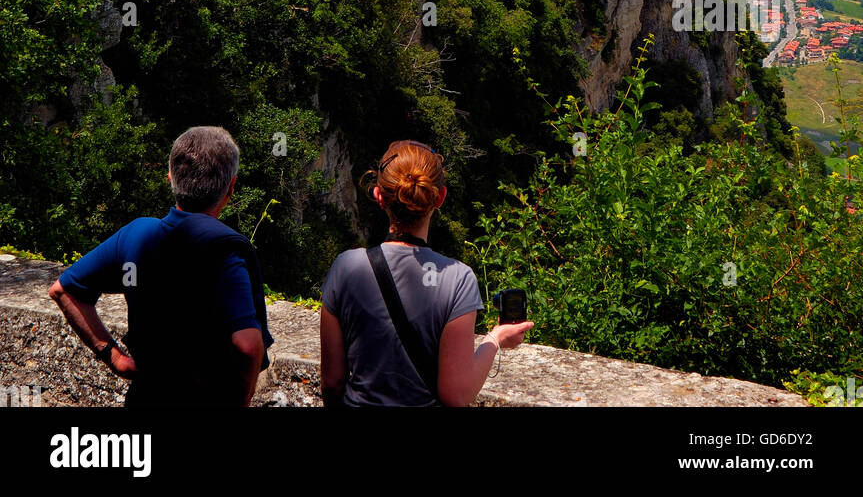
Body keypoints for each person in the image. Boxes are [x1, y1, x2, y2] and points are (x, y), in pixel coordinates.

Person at [48, 125, 273, 407]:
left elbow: (64, 290)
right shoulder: (226, 248)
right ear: (231, 187)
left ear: (170, 179)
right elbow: (249, 346)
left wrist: (115, 358)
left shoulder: (136, 234)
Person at [320, 139, 533, 407]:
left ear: (379, 196)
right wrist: (495, 339)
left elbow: (332, 383)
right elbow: (455, 396)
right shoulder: (458, 279)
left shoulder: (346, 268)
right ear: (440, 197)